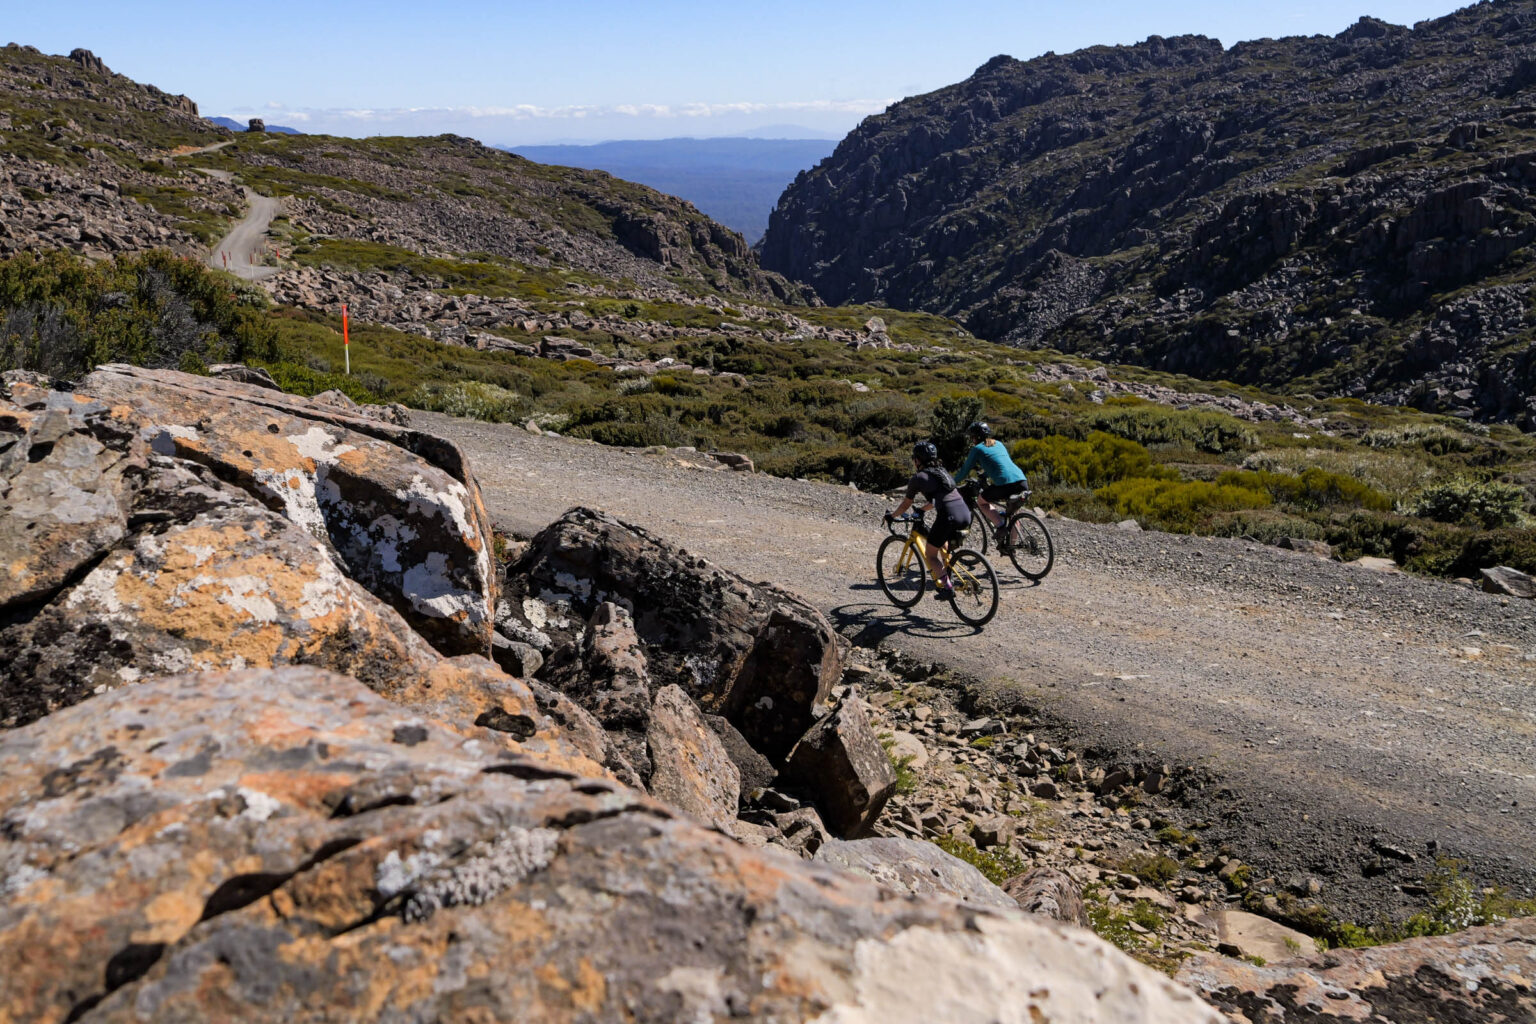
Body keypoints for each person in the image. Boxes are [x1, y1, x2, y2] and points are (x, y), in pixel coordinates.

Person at [886, 440, 972, 601]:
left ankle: (947, 588)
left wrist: (892, 515)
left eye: (914, 458)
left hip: (948, 515)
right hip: (964, 512)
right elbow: (939, 498)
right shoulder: (942, 471)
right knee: (941, 542)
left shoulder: (918, 478)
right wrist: (922, 509)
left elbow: (906, 504)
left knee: (930, 554)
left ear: (917, 460)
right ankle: (948, 572)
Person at [954, 421, 1028, 546]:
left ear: (976, 437)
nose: (972, 440)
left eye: (972, 437)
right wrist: (985, 474)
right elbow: (999, 462)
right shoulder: (996, 443)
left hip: (1006, 484)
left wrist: (952, 482)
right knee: (1014, 514)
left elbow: (965, 470)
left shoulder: (977, 449)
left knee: (981, 502)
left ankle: (1000, 527)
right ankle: (1011, 547)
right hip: (1022, 481)